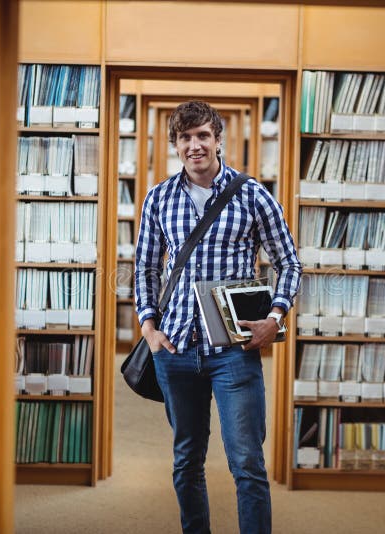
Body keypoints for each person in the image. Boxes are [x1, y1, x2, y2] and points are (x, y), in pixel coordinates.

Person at [134, 100, 301, 534]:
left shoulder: (252, 195)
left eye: (202, 136)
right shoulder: (159, 198)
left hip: (234, 351)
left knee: (247, 462)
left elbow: (289, 263)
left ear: (218, 140)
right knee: (187, 460)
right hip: (175, 349)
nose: (195, 146)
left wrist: (276, 317)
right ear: (176, 144)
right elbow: (146, 269)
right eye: (186, 138)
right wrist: (149, 328)